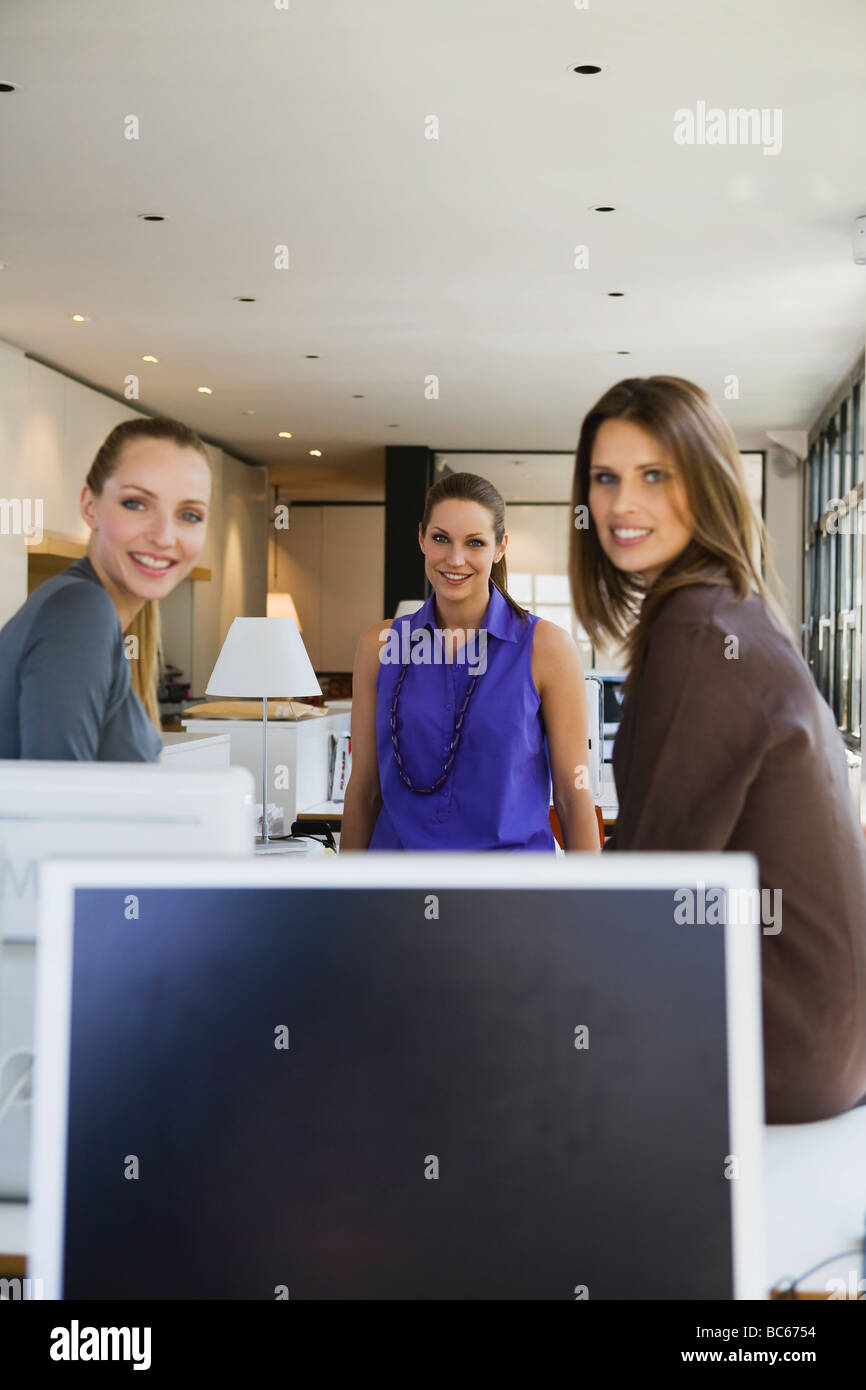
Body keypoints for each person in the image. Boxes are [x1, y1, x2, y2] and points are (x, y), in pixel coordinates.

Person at [569, 374, 866, 1124]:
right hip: (824, 1041)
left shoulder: (698, 632)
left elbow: (654, 891)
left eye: (655, 476)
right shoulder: (730, 610)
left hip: (782, 1048)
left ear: (704, 485)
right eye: (605, 478)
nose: (622, 505)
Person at [341, 471, 600, 852]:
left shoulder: (548, 648)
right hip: (397, 893)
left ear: (499, 548)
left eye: (475, 543)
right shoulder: (378, 647)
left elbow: (572, 795)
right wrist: (345, 902)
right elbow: (364, 790)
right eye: (441, 538)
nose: (455, 559)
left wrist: (592, 905)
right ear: (421, 539)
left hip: (507, 896)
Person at [0, 417, 211, 761]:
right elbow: (58, 802)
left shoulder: (82, 608)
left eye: (189, 515)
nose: (163, 536)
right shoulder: (80, 611)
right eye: (135, 504)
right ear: (90, 506)